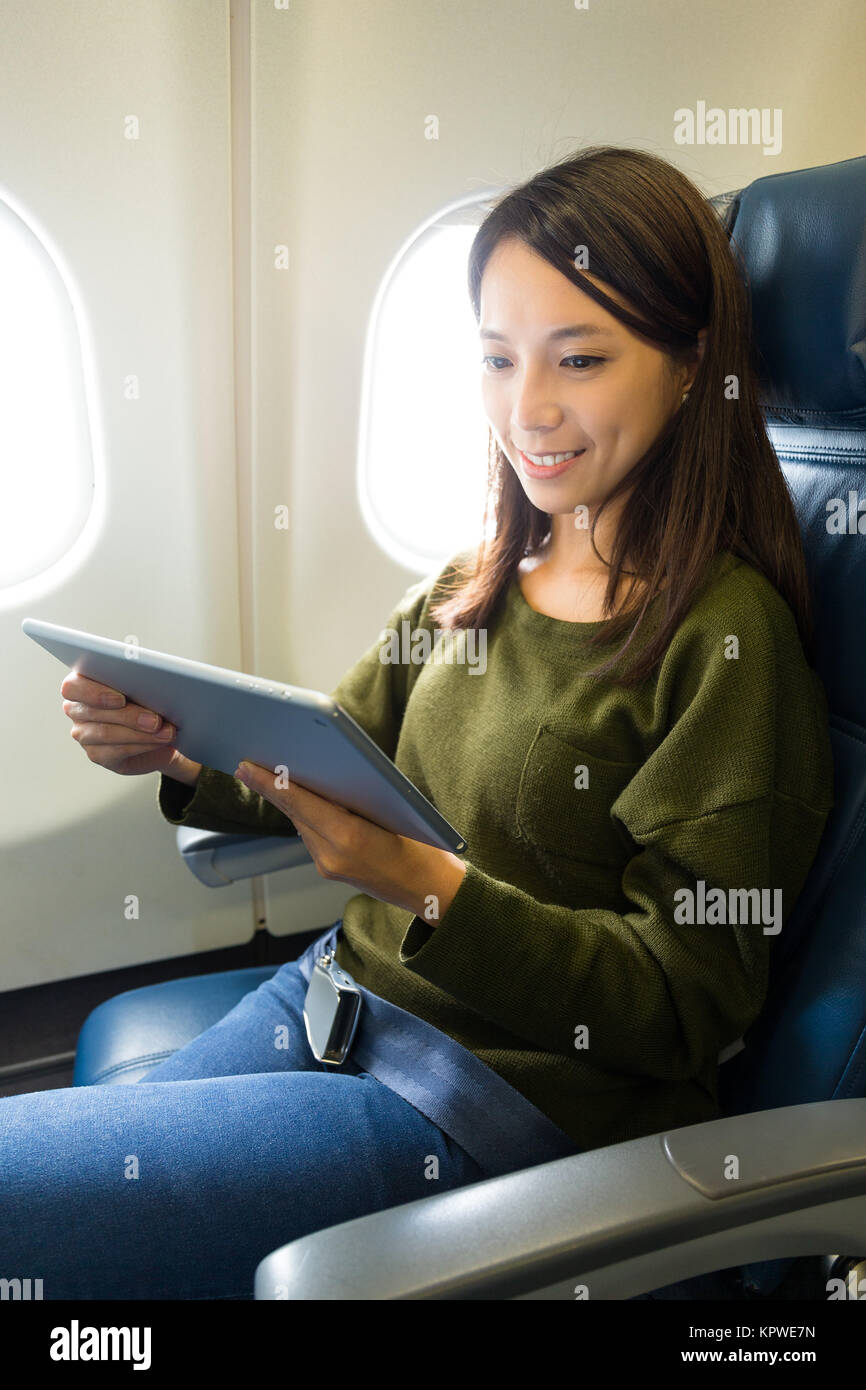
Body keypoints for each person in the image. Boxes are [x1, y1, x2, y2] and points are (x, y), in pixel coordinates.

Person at [1, 145, 834, 1300]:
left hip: (496, 1106)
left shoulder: (726, 648)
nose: (525, 409)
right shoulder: (481, 575)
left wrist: (423, 884)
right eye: (495, 359)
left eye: (579, 359)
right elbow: (333, 751)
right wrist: (176, 748)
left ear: (691, 364)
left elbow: (677, 1007)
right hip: (334, 998)